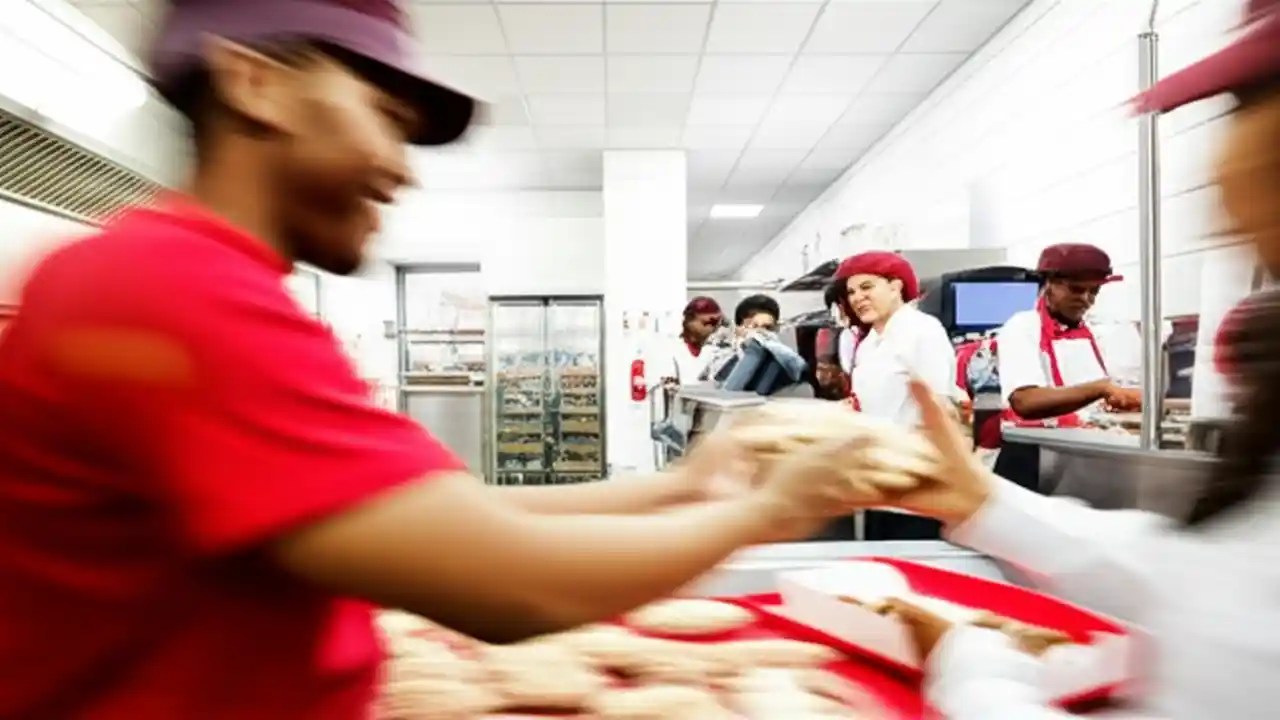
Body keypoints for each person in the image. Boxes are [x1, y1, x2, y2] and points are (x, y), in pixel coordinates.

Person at [0, 2, 882, 718]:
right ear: (253, 80)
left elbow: (460, 514)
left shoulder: (196, 282)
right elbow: (512, 585)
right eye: (384, 117)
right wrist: (769, 510)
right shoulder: (170, 290)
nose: (403, 168)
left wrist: (686, 486)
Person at [867, 4, 1280, 717]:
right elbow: (1216, 583)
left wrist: (974, 665)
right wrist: (982, 501)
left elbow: (1237, 640)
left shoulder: (1098, 330)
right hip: (1035, 464)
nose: (1226, 211)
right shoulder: (1017, 328)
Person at [992, 243, 1143, 485]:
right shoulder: (1023, 327)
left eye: (1094, 292)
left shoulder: (1096, 331)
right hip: (1034, 458)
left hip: (1084, 456)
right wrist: (1100, 389)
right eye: (1076, 290)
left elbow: (1104, 402)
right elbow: (1025, 402)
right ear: (1049, 284)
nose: (1086, 300)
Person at [833, 251, 957, 540]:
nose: (857, 298)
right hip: (878, 475)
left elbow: (938, 408)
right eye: (851, 292)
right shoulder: (869, 342)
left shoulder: (923, 331)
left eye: (866, 287)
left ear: (895, 286)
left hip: (915, 477)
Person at [659, 296, 724, 385]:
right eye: (708, 322)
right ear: (690, 320)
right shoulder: (670, 350)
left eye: (717, 324)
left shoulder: (715, 352)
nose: (713, 328)